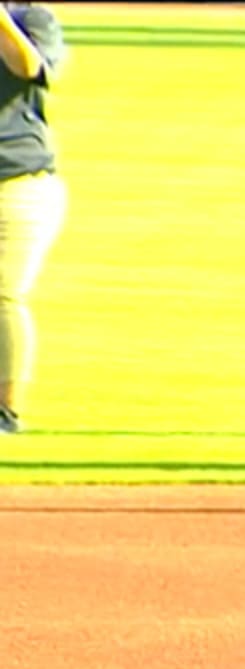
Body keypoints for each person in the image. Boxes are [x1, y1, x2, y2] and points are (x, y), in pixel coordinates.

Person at [0, 2, 68, 434]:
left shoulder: (32, 21)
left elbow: (28, 66)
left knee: (3, 295)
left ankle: (4, 411)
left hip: (17, 183)